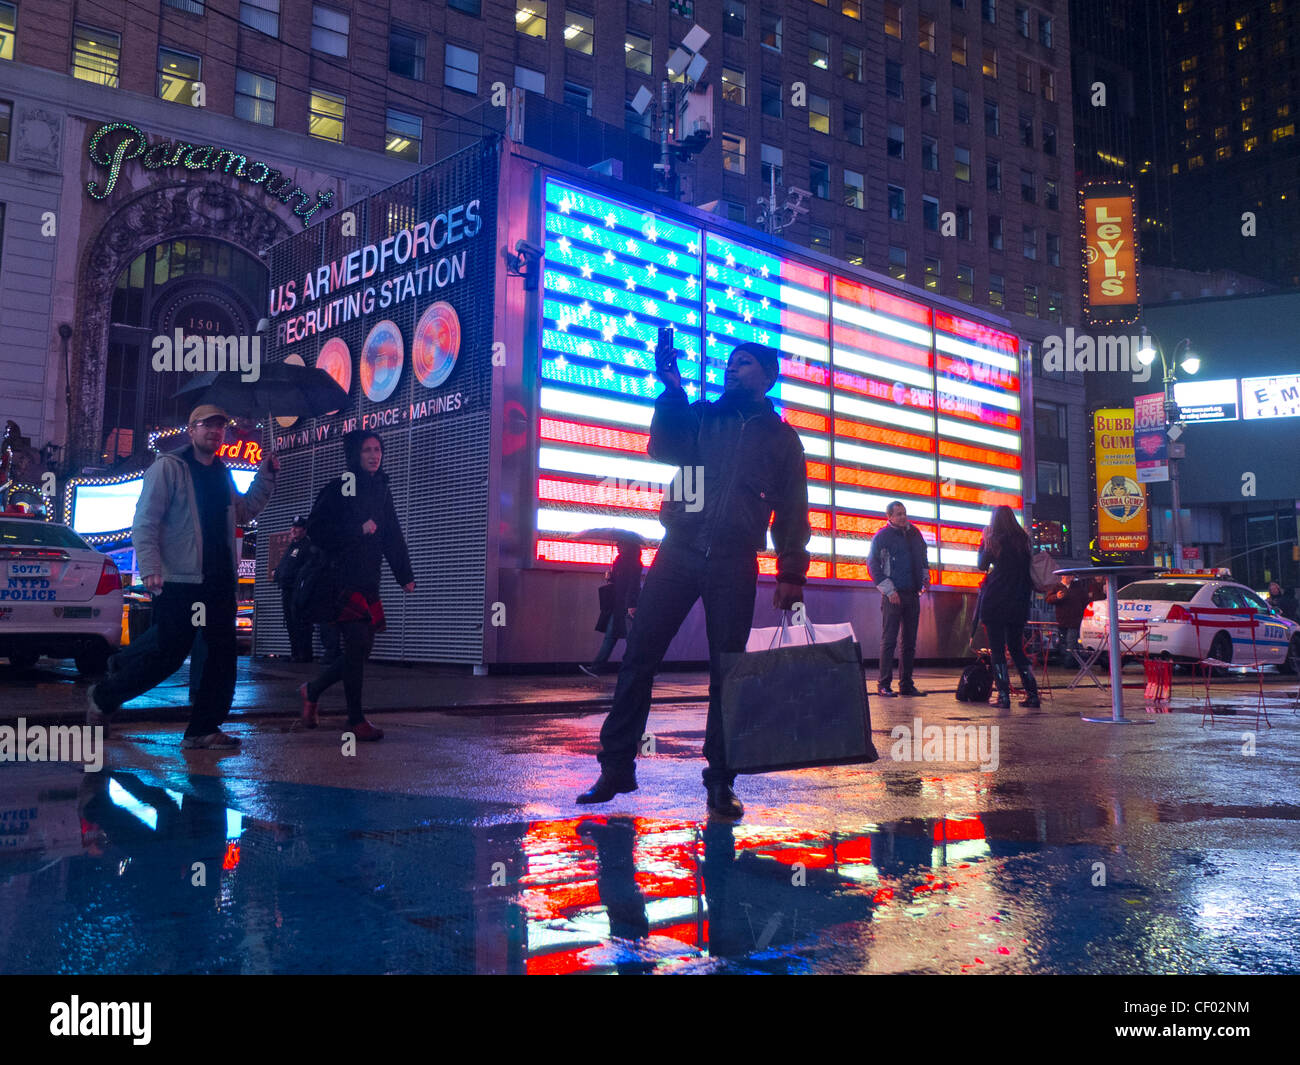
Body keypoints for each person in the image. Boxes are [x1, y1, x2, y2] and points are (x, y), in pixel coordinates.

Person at [575, 341, 811, 818]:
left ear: (767, 376)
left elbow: (792, 509)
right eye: (727, 364)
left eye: (742, 364)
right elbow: (663, 448)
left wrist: (791, 573)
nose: (730, 371)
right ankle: (617, 766)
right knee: (639, 656)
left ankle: (720, 782)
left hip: (735, 559)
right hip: (679, 549)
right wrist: (671, 389)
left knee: (727, 673)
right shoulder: (702, 415)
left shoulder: (782, 439)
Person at [88, 404, 278, 747]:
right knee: (169, 653)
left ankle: (203, 729)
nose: (215, 432)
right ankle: (104, 696)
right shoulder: (169, 468)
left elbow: (243, 511)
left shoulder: (222, 472)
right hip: (181, 580)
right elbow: (145, 521)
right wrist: (150, 568)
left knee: (221, 656)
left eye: (221, 426)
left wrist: (265, 477)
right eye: (207, 426)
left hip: (219, 581)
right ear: (191, 430)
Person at [297, 430, 414, 741]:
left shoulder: (382, 490)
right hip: (341, 579)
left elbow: (392, 535)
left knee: (360, 650)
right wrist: (357, 528)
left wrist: (405, 576)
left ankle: (313, 690)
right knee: (357, 645)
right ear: (354, 455)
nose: (374, 455)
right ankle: (355, 719)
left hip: (368, 579)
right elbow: (317, 530)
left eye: (378, 449)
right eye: (367, 450)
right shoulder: (339, 488)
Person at [977, 505, 1040, 708]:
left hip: (995, 600)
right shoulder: (1023, 541)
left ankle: (1003, 696)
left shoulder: (993, 540)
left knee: (997, 650)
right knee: (1016, 649)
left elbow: (982, 565)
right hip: (1019, 601)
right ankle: (1032, 694)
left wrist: (983, 542)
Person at [867, 501, 930, 697]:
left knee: (909, 642)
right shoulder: (882, 537)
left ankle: (906, 684)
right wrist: (889, 590)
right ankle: (884, 685)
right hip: (893, 595)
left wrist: (925, 578)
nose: (903, 517)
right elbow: (873, 566)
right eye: (898, 514)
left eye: (904, 513)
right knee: (889, 641)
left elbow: (923, 557)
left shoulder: (915, 534)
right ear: (890, 517)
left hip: (912, 593)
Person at [580, 536, 643, 677]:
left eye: (620, 543)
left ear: (628, 545)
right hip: (619, 605)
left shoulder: (632, 563)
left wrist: (632, 604)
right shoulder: (623, 561)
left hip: (625, 605)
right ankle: (598, 667)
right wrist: (611, 577)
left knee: (626, 638)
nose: (617, 545)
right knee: (621, 637)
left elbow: (633, 585)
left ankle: (644, 668)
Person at [272, 517, 314, 661]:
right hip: (287, 589)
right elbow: (285, 565)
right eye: (292, 527)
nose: (293, 530)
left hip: (298, 591)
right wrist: (277, 573)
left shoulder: (307, 546)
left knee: (300, 622)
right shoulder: (292, 546)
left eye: (297, 527)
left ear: (304, 529)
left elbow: (306, 569)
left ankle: (304, 654)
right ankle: (295, 652)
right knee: (290, 621)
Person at [1045, 573, 1090, 662]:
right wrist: (1056, 597)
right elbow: (1048, 599)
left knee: (1071, 642)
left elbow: (1085, 600)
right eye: (1069, 576)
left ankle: (1069, 662)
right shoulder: (1056, 587)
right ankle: (1068, 661)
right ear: (1063, 576)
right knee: (1064, 641)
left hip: (1074, 620)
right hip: (1062, 619)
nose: (1070, 578)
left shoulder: (1078, 587)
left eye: (1071, 576)